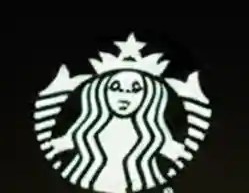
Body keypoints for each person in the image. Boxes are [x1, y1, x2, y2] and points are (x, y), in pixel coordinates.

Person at [48, 70, 188, 193]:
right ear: (101, 91)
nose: (124, 94)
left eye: (136, 88)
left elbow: (178, 155)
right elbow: (56, 147)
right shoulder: (83, 131)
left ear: (148, 96)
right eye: (115, 87)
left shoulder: (155, 136)